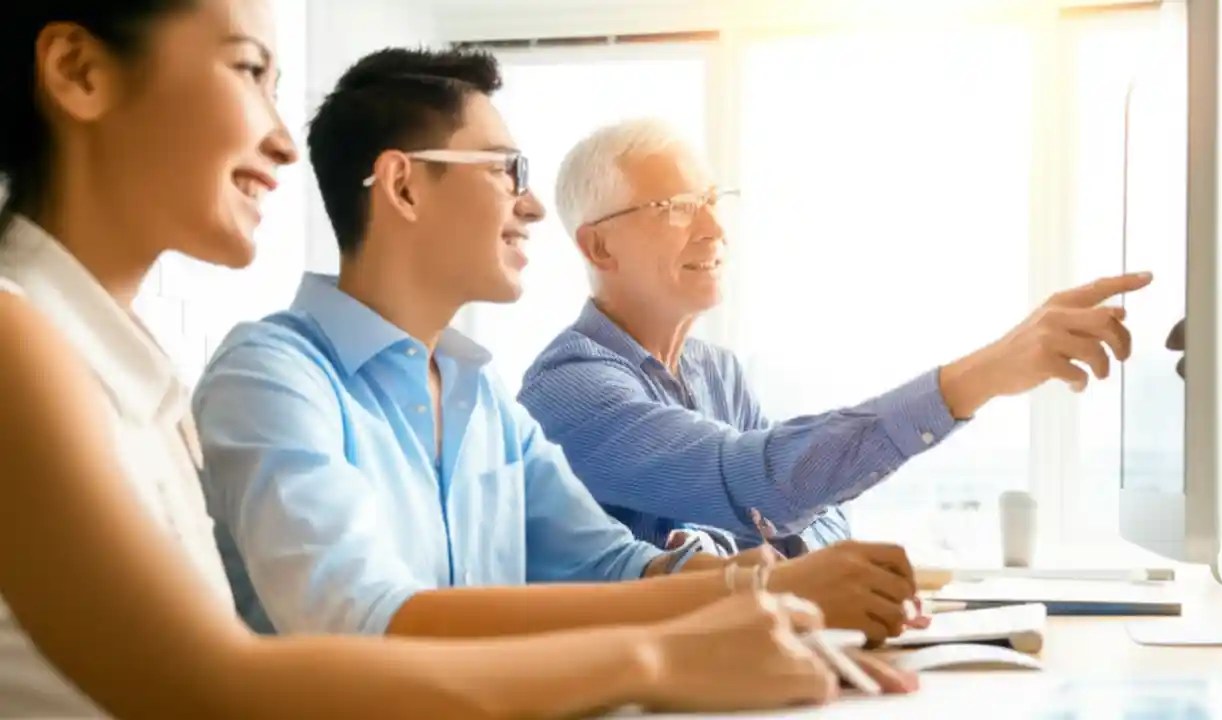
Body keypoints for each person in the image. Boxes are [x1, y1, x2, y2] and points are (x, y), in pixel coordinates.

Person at [0, 3, 904, 717]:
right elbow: (245, 670)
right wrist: (670, 649)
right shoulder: (81, 347)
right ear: (78, 71)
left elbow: (611, 567)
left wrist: (755, 593)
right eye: (246, 70)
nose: (281, 139)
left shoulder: (132, 372)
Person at [192, 46, 928, 649]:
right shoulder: (272, 378)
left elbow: (614, 565)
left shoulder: (482, 400)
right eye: (506, 170)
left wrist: (766, 580)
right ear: (404, 186)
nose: (534, 205)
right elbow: (363, 620)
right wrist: (749, 593)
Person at [519, 118, 1154, 557]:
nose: (714, 228)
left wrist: (757, 542)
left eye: (713, 200)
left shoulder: (715, 370)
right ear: (599, 247)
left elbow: (821, 518)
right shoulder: (570, 389)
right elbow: (757, 481)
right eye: (677, 207)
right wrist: (982, 374)